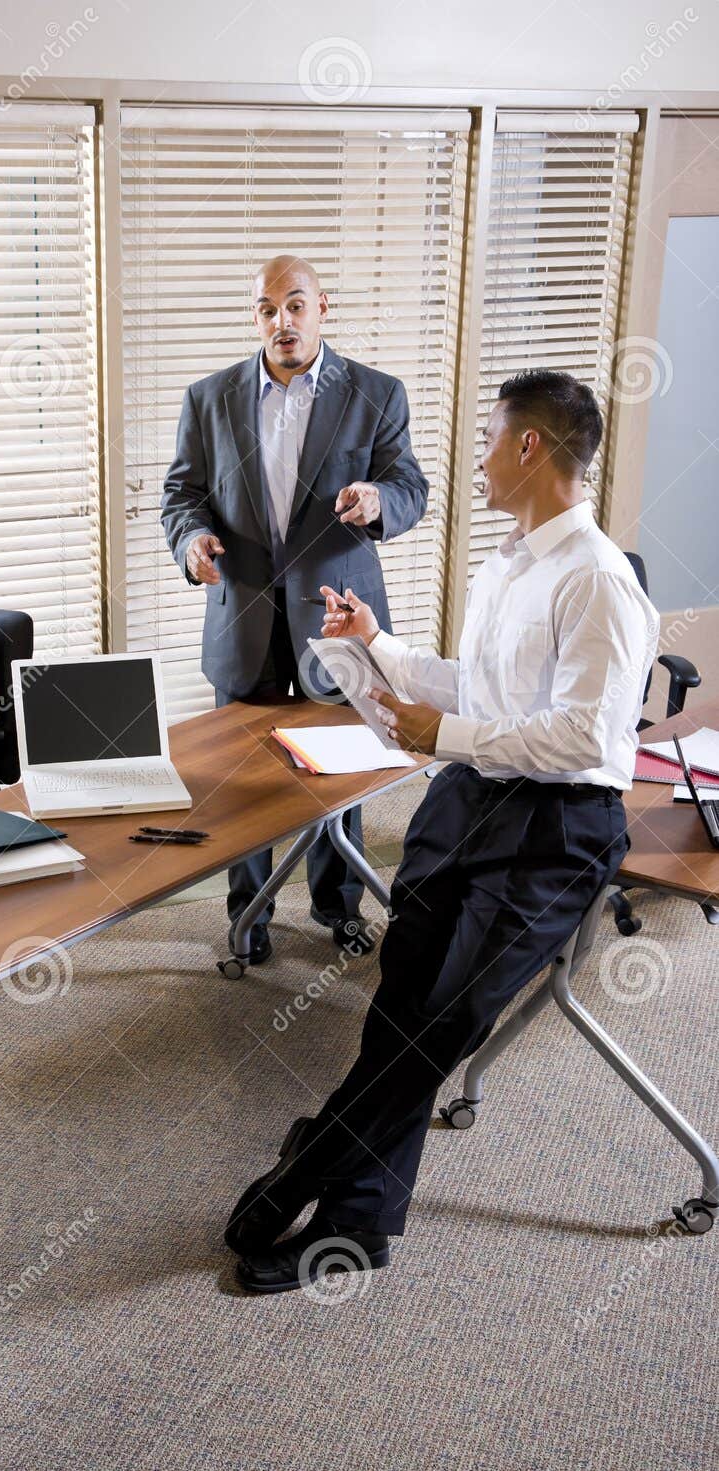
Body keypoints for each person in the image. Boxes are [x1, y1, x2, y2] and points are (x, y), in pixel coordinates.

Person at [224, 369, 659, 1295]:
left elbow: (584, 735)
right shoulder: (510, 562)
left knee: (441, 1022)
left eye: (491, 437)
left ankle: (307, 1169)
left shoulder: (598, 581)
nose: (480, 457)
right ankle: (362, 1223)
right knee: (401, 1006)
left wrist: (447, 735)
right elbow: (483, 691)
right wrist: (378, 647)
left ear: (530, 447)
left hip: (556, 827)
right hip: (470, 798)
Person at [161, 254, 428, 965]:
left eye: (295, 305)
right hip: (241, 618)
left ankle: (336, 907)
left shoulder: (376, 393)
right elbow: (181, 495)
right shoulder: (209, 399)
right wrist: (190, 543)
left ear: (322, 308)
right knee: (240, 780)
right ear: (255, 316)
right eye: (267, 308)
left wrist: (377, 503)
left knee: (339, 773)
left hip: (336, 614)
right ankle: (247, 914)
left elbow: (409, 486)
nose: (282, 321)